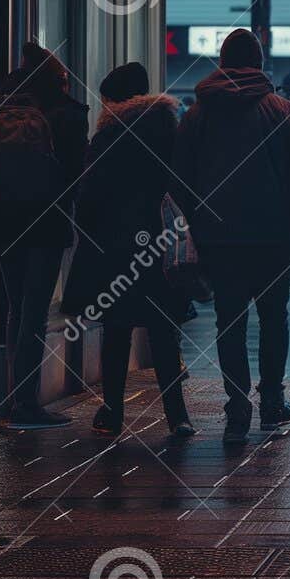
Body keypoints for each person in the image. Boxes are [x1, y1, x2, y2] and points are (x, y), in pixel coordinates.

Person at [173, 28, 290, 443]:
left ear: (222, 60)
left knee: (228, 322)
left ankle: (237, 406)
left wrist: (195, 227)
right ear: (259, 62)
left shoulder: (198, 114)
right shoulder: (285, 112)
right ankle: (273, 400)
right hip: (273, 238)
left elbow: (179, 178)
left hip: (219, 239)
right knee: (274, 319)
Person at [63, 62, 194, 438]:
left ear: (115, 100)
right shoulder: (170, 131)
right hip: (159, 247)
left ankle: (113, 411)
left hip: (115, 249)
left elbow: (88, 199)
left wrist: (90, 234)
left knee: (116, 333)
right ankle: (178, 417)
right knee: (163, 334)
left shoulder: (108, 138)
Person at [0, 42, 88, 430]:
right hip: (46, 222)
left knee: (15, 309)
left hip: (2, 219)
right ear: (57, 79)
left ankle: (15, 399)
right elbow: (75, 175)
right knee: (35, 313)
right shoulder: (68, 115)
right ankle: (27, 404)